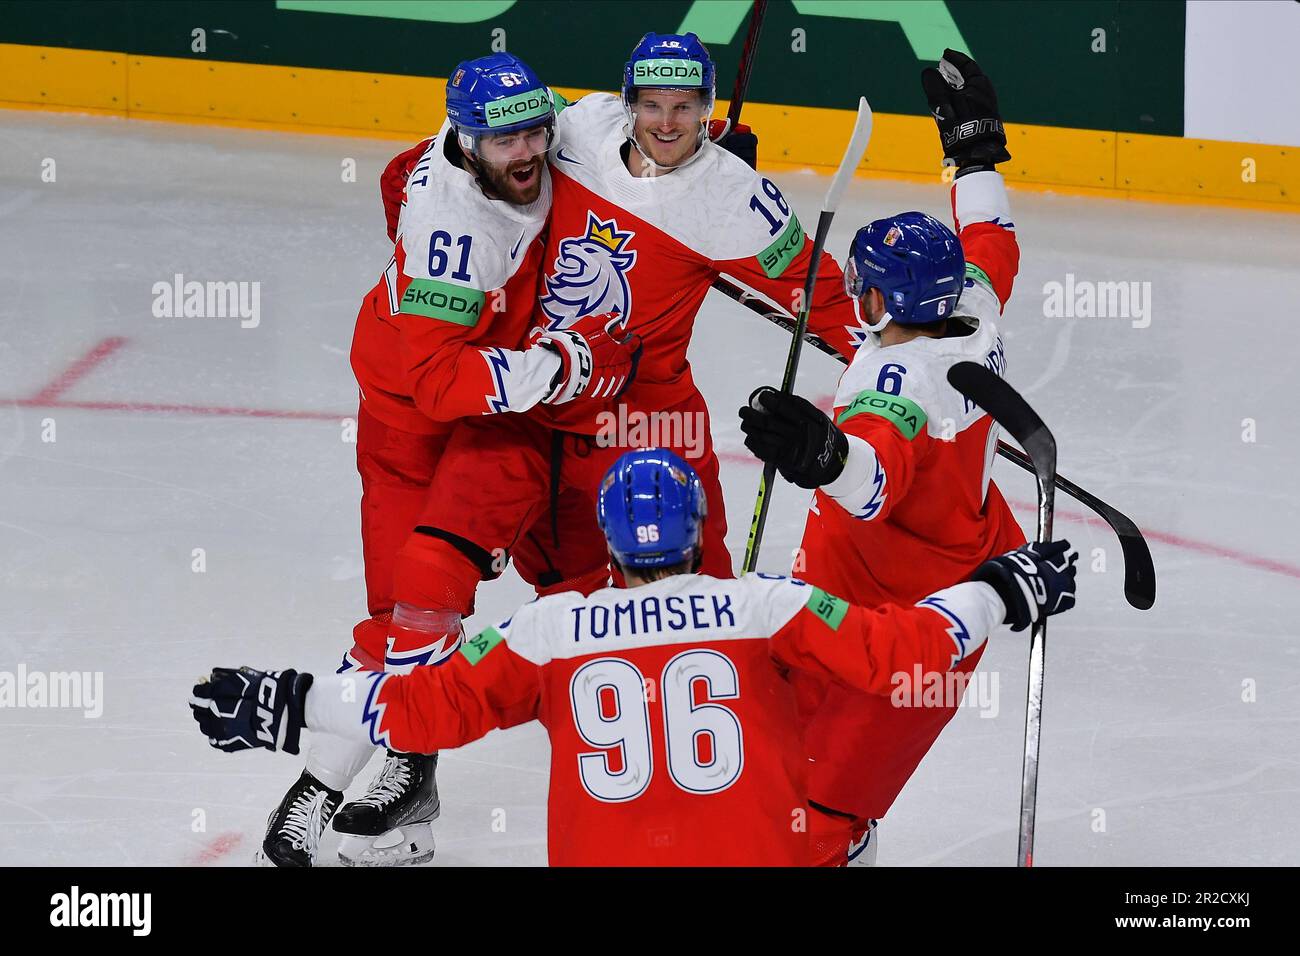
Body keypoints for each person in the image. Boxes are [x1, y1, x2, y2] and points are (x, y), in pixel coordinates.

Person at [192, 449, 1079, 866]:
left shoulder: (550, 628)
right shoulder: (758, 605)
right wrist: (1003, 587)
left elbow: (420, 710)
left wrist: (288, 701)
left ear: (607, 547)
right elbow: (904, 651)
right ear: (701, 535)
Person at [371, 31, 866, 699]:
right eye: (652, 106)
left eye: (686, 108)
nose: (666, 124)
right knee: (431, 572)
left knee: (698, 599)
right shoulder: (573, 127)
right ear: (624, 103)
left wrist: (900, 365)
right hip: (527, 409)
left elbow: (821, 295)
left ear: (708, 109)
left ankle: (729, 723)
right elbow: (465, 135)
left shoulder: (736, 203)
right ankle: (405, 746)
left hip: (642, 419)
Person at [258, 52, 640, 868]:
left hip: (503, 423)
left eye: (536, 130)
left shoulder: (528, 138)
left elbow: (630, 126)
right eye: (504, 142)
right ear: (465, 143)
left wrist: (693, 160)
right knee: (406, 620)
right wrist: (565, 365)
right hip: (419, 422)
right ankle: (338, 787)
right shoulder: (449, 231)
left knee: (527, 599)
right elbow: (438, 384)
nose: (528, 151)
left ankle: (400, 769)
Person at [738, 49, 1025, 865]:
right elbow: (992, 236)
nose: (851, 294)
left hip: (897, 616)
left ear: (883, 301)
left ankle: (844, 837)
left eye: (861, 285)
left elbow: (871, 484)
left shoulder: (891, 385)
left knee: (815, 816)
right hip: (930, 575)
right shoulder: (974, 303)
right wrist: (973, 153)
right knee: (773, 763)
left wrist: (823, 455)